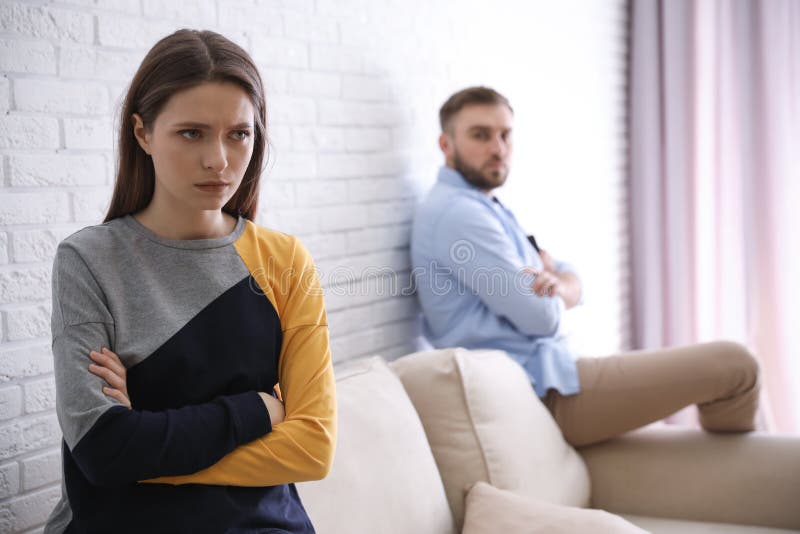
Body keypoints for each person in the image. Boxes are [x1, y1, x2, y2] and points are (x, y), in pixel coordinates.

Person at [45, 29, 335, 533]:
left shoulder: (285, 260)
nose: (219, 160)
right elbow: (105, 449)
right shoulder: (88, 260)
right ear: (142, 133)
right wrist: (257, 409)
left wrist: (152, 454)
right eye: (191, 133)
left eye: (238, 134)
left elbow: (312, 447)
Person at [410, 86, 760, 447]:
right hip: (544, 393)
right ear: (445, 144)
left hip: (554, 376)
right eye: (480, 135)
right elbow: (541, 317)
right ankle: (748, 471)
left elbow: (561, 270)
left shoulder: (483, 205)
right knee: (735, 366)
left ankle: (734, 470)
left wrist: (562, 285)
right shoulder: (460, 215)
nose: (498, 148)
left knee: (733, 370)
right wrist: (562, 288)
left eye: (505, 135)